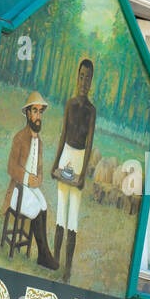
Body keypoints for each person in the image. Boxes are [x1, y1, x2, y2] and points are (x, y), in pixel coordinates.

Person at [51, 58, 97, 280]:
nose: (84, 82)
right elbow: (63, 134)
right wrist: (55, 164)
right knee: (61, 209)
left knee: (73, 215)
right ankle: (55, 260)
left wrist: (83, 174)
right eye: (81, 76)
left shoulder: (91, 111)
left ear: (91, 81)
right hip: (66, 156)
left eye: (88, 78)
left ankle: (68, 267)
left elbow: (89, 143)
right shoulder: (70, 104)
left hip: (79, 158)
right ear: (77, 78)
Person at [5, 91, 58, 270]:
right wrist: (27, 178)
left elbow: (39, 170)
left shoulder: (39, 142)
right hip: (18, 189)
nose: (38, 116)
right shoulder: (20, 138)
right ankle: (44, 255)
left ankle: (44, 253)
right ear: (28, 113)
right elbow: (11, 167)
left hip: (31, 188)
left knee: (44, 205)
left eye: (40, 112)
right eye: (35, 111)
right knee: (36, 207)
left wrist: (38, 179)